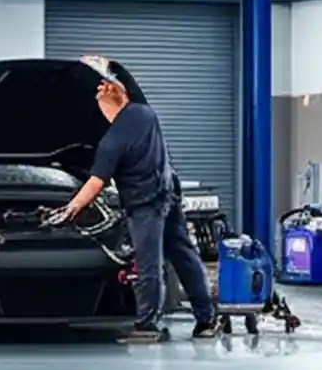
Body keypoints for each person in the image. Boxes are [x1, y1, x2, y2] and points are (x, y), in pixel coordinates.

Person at [49, 72, 219, 343]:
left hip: (145, 204)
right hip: (168, 193)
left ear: (106, 103)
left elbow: (95, 183)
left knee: (147, 263)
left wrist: (70, 208)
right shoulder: (145, 114)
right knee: (184, 254)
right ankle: (207, 319)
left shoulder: (112, 141)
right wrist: (102, 69)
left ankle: (148, 324)